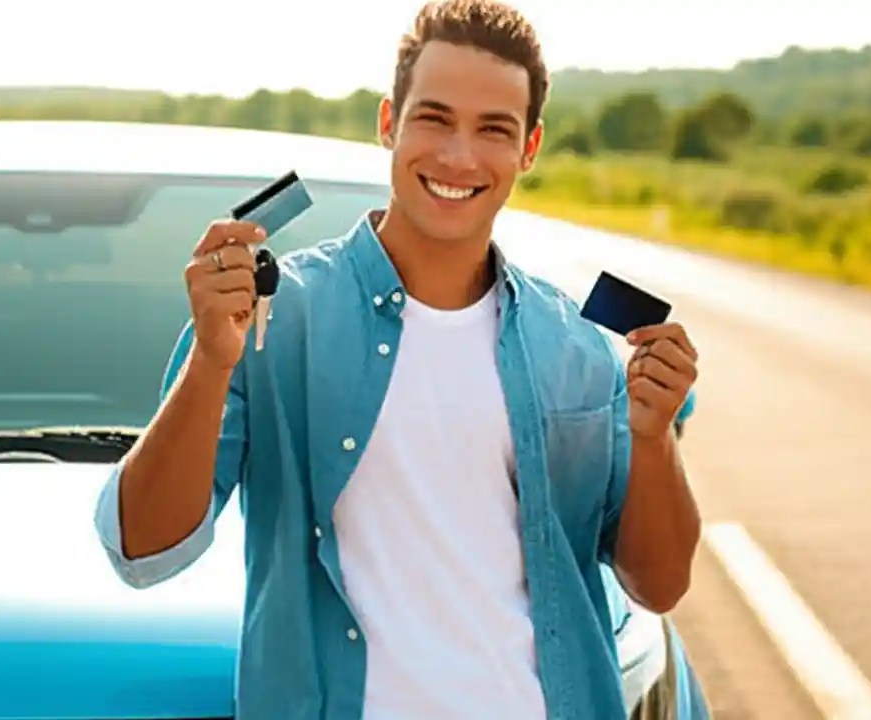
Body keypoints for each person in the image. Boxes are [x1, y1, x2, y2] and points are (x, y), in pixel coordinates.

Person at [94, 1, 702, 718]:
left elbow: (658, 587)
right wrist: (210, 360)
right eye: (434, 118)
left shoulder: (576, 345)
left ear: (529, 147)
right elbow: (142, 549)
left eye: (493, 130)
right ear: (389, 122)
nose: (458, 156)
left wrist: (654, 437)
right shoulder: (269, 320)